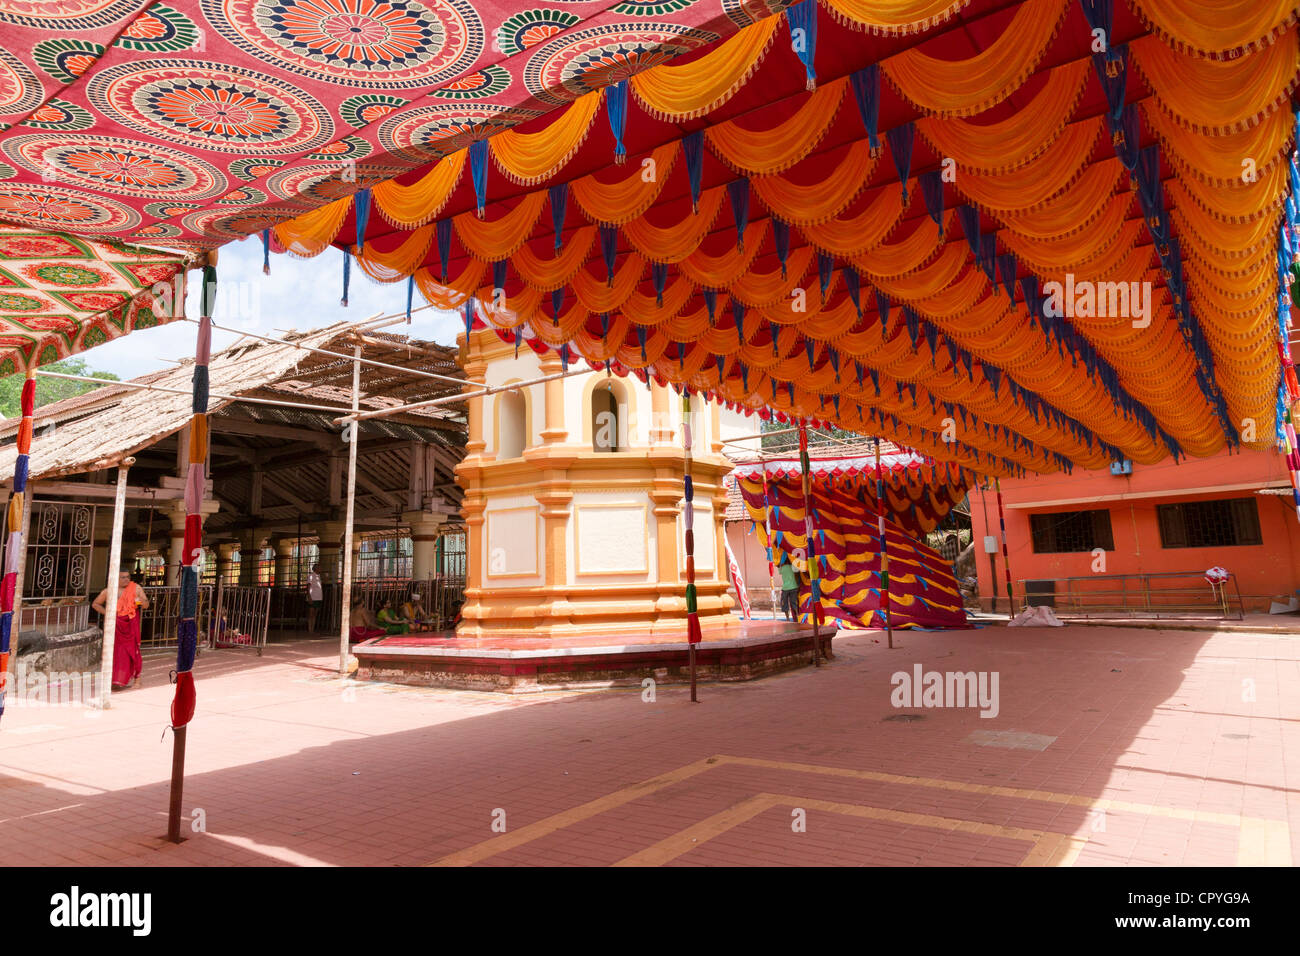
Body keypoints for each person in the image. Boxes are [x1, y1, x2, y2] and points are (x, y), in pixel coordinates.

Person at [92, 567, 149, 689]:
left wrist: (139, 601)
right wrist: (108, 613)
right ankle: (115, 680)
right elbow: (95, 604)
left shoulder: (136, 588)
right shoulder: (109, 591)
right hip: (116, 625)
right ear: (115, 579)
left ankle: (137, 681)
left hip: (131, 624)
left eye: (128, 577)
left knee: (134, 652)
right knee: (116, 653)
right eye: (123, 577)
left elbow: (146, 605)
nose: (126, 579)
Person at [778, 552, 799, 623]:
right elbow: (797, 570)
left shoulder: (782, 568)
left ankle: (787, 619)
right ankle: (798, 617)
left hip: (785, 588)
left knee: (785, 604)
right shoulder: (793, 566)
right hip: (794, 587)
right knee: (794, 603)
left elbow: (779, 572)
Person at [305, 564, 323, 633]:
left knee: (315, 614)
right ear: (315, 569)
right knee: (311, 613)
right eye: (319, 568)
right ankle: (310, 629)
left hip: (319, 597)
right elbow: (308, 586)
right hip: (312, 597)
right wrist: (309, 597)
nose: (320, 569)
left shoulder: (319, 576)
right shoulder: (311, 576)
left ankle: (312, 629)